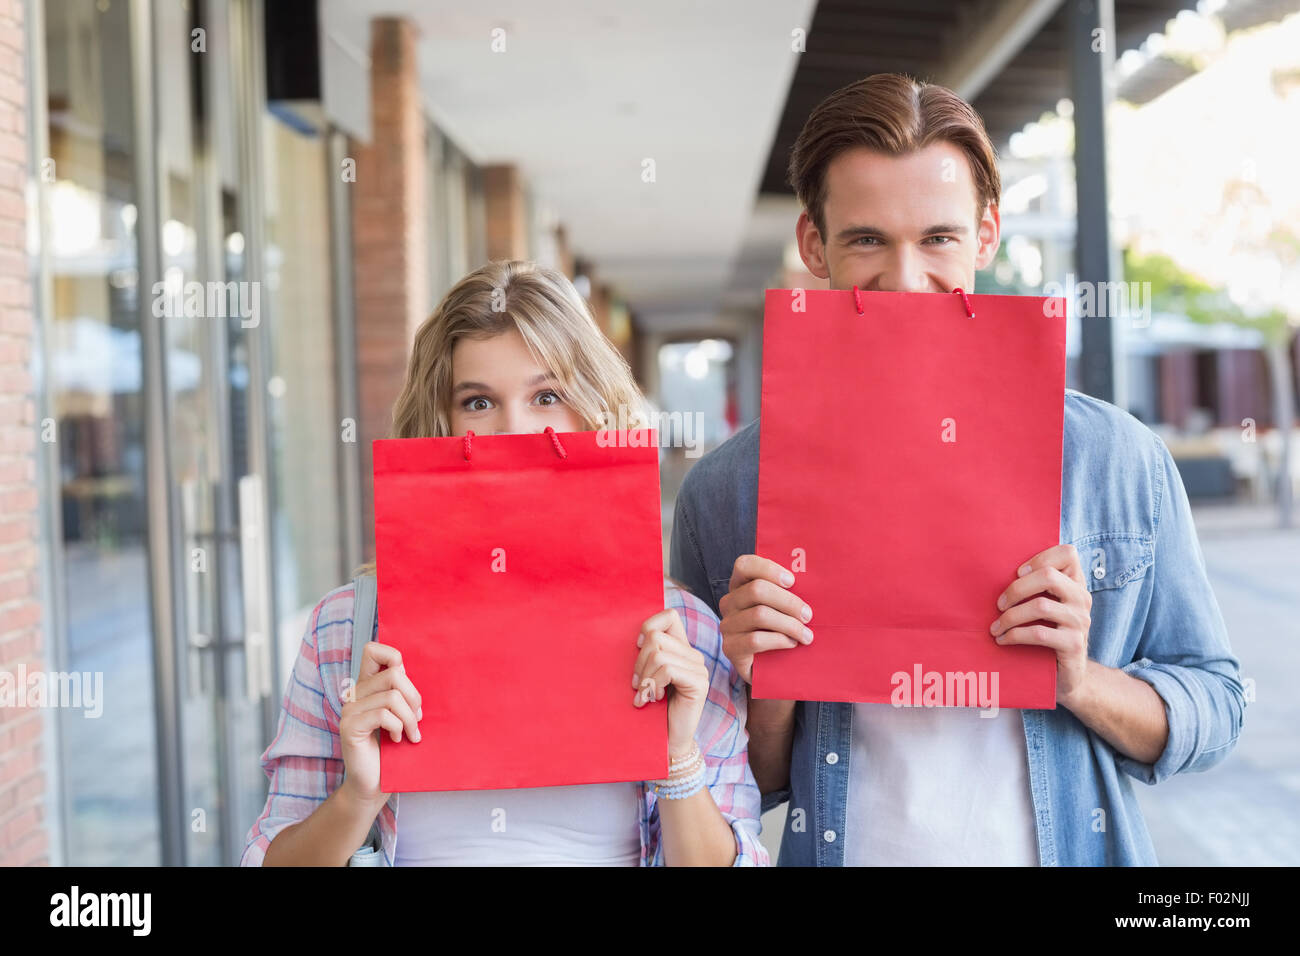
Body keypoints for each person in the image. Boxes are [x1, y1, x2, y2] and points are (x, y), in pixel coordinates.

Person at [669, 73, 1246, 866]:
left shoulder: (1118, 457)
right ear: (814, 244)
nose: (907, 282)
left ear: (985, 236)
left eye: (938, 238)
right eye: (868, 239)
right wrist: (765, 687)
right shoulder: (727, 490)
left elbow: (1217, 706)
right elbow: (737, 789)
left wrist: (1079, 678)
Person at [242, 260, 768, 866]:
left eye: (547, 396)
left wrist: (679, 760)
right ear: (439, 426)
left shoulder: (683, 635)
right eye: (477, 401)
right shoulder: (346, 631)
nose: (513, 432)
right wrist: (359, 795)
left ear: (594, 414)